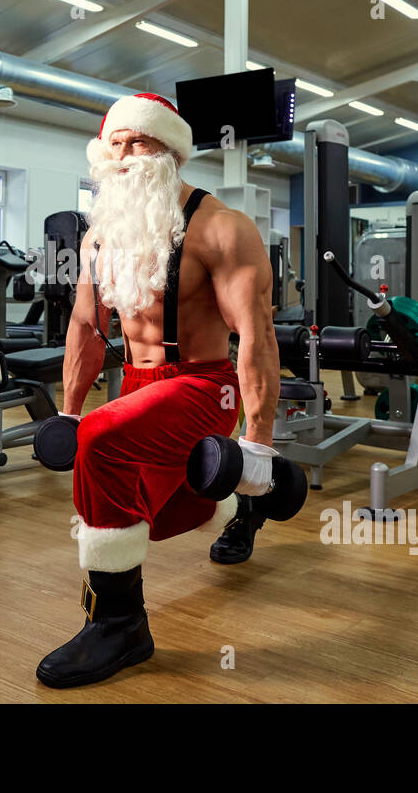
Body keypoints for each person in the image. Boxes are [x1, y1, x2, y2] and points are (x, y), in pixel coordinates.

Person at [36, 92, 281, 689]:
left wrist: (256, 445)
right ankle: (230, 502)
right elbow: (86, 329)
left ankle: (121, 625)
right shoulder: (99, 238)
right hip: (141, 383)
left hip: (205, 384)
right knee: (162, 512)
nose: (123, 156)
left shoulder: (222, 228)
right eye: (113, 143)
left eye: (137, 142)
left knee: (104, 441)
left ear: (169, 152)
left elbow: (257, 336)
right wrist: (69, 413)